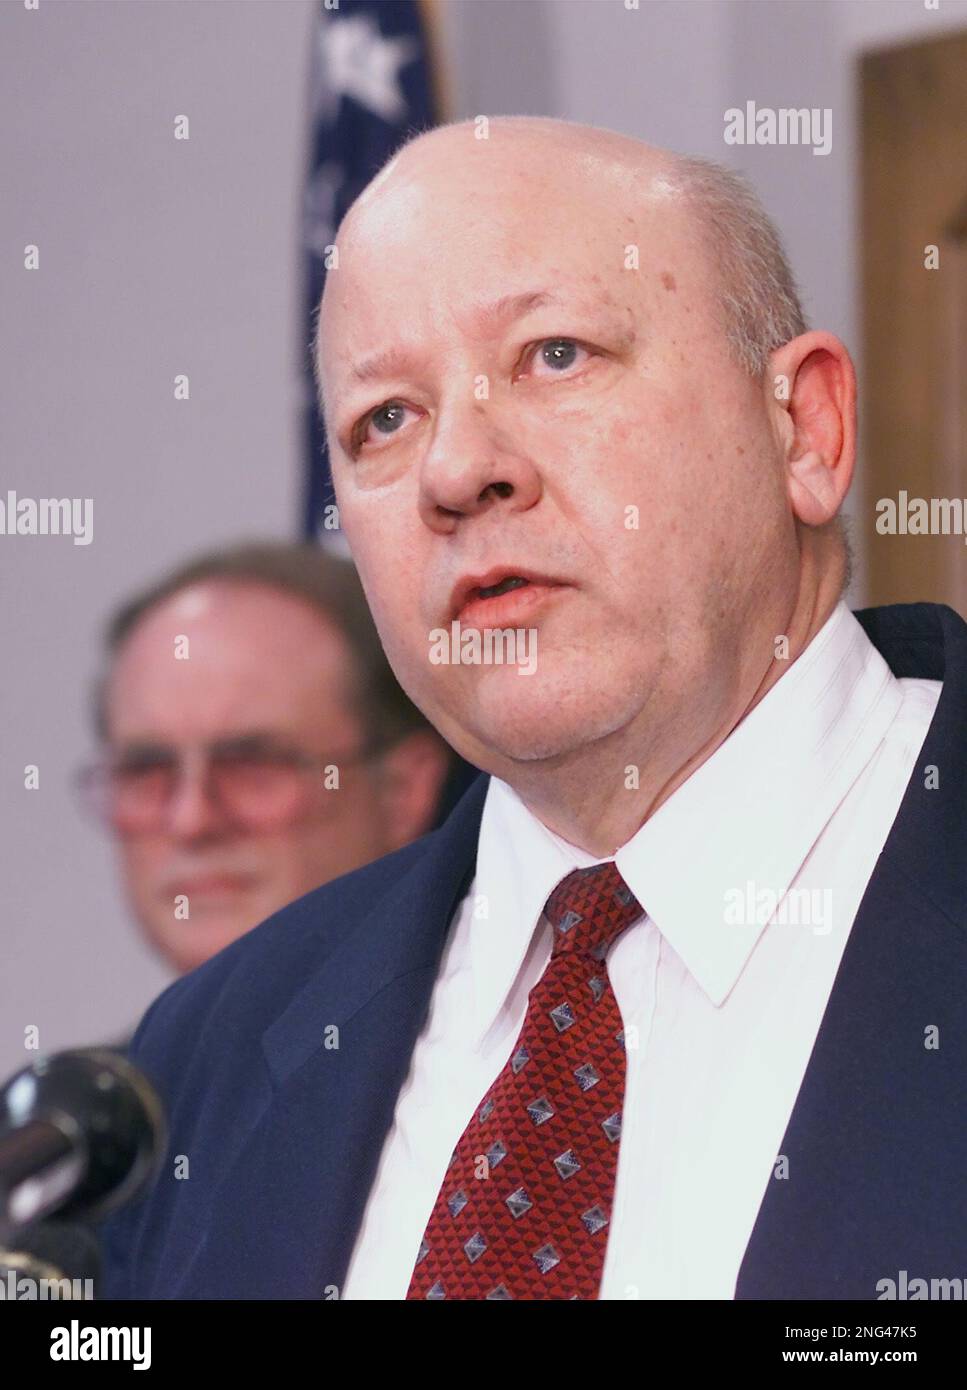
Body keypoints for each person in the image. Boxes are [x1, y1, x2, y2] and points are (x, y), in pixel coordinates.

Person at [98, 118, 966, 1301]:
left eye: (555, 354)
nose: (458, 470)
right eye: (385, 420)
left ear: (804, 428)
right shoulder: (208, 1052)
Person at [77, 542, 460, 976]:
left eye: (251, 766)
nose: (191, 821)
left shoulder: (493, 1042)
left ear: (403, 789)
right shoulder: (85, 1048)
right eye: (146, 771)